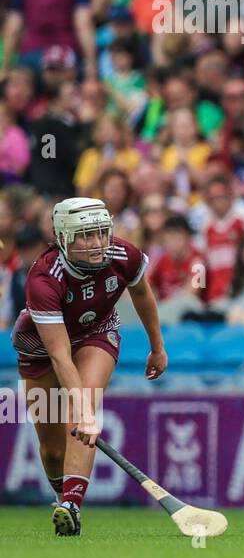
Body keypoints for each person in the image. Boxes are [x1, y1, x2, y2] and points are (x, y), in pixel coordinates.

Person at [11, 197, 167, 536]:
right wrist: (81, 410)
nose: (97, 244)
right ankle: (60, 495)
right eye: (85, 236)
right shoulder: (43, 278)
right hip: (42, 350)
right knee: (53, 450)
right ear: (63, 238)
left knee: (84, 406)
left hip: (98, 331)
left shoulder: (122, 255)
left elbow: (141, 293)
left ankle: (72, 506)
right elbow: (59, 354)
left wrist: (157, 347)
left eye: (101, 233)